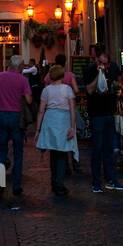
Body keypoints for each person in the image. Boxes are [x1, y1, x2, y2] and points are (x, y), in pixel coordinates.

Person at [83, 47, 123, 193]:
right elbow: (89, 90)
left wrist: (118, 87)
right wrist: (99, 74)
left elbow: (119, 83)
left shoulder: (113, 67)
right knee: (97, 149)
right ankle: (96, 182)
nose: (105, 66)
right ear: (96, 60)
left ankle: (111, 179)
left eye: (106, 64)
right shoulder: (90, 70)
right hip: (97, 114)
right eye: (102, 63)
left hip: (109, 112)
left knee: (110, 149)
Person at [0, 54, 32, 198]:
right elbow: (29, 99)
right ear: (19, 66)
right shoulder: (22, 80)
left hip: (1, 115)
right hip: (16, 117)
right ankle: (16, 186)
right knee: (18, 152)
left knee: (1, 150)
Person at [35, 64, 78, 196]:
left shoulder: (46, 90)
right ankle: (58, 183)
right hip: (63, 121)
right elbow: (72, 110)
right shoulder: (67, 90)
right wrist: (72, 126)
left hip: (50, 120)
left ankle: (54, 181)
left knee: (54, 152)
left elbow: (41, 110)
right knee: (61, 153)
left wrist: (38, 129)